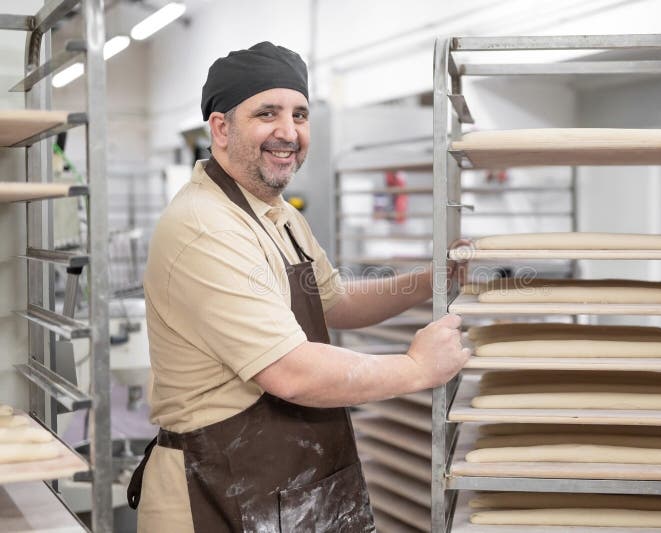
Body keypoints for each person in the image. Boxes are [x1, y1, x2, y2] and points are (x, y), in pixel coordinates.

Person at [127, 41, 470, 532]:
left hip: (282, 487)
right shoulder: (205, 226)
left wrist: (433, 280)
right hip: (214, 498)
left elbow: (337, 301)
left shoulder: (279, 216)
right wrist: (416, 368)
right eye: (267, 113)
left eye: (300, 114)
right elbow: (290, 372)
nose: (288, 132)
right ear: (221, 128)